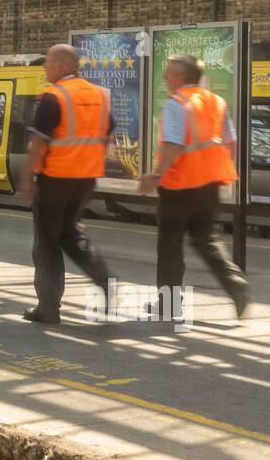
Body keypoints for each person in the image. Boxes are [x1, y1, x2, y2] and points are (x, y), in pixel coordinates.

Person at [137, 53, 251, 320]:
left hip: (178, 186)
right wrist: (214, 171)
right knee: (206, 240)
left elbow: (174, 145)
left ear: (182, 77)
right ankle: (236, 285)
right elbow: (229, 142)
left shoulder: (177, 104)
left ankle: (168, 304)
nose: (165, 76)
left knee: (170, 246)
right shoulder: (217, 102)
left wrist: (155, 175)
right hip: (209, 185)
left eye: (169, 72)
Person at [19, 44, 116, 324]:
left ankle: (48, 308)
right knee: (70, 232)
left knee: (46, 241)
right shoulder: (99, 95)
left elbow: (39, 143)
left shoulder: (53, 96)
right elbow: (107, 135)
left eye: (47, 62)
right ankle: (104, 277)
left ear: (61, 65)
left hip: (56, 177)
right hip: (86, 179)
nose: (44, 67)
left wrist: (28, 177)